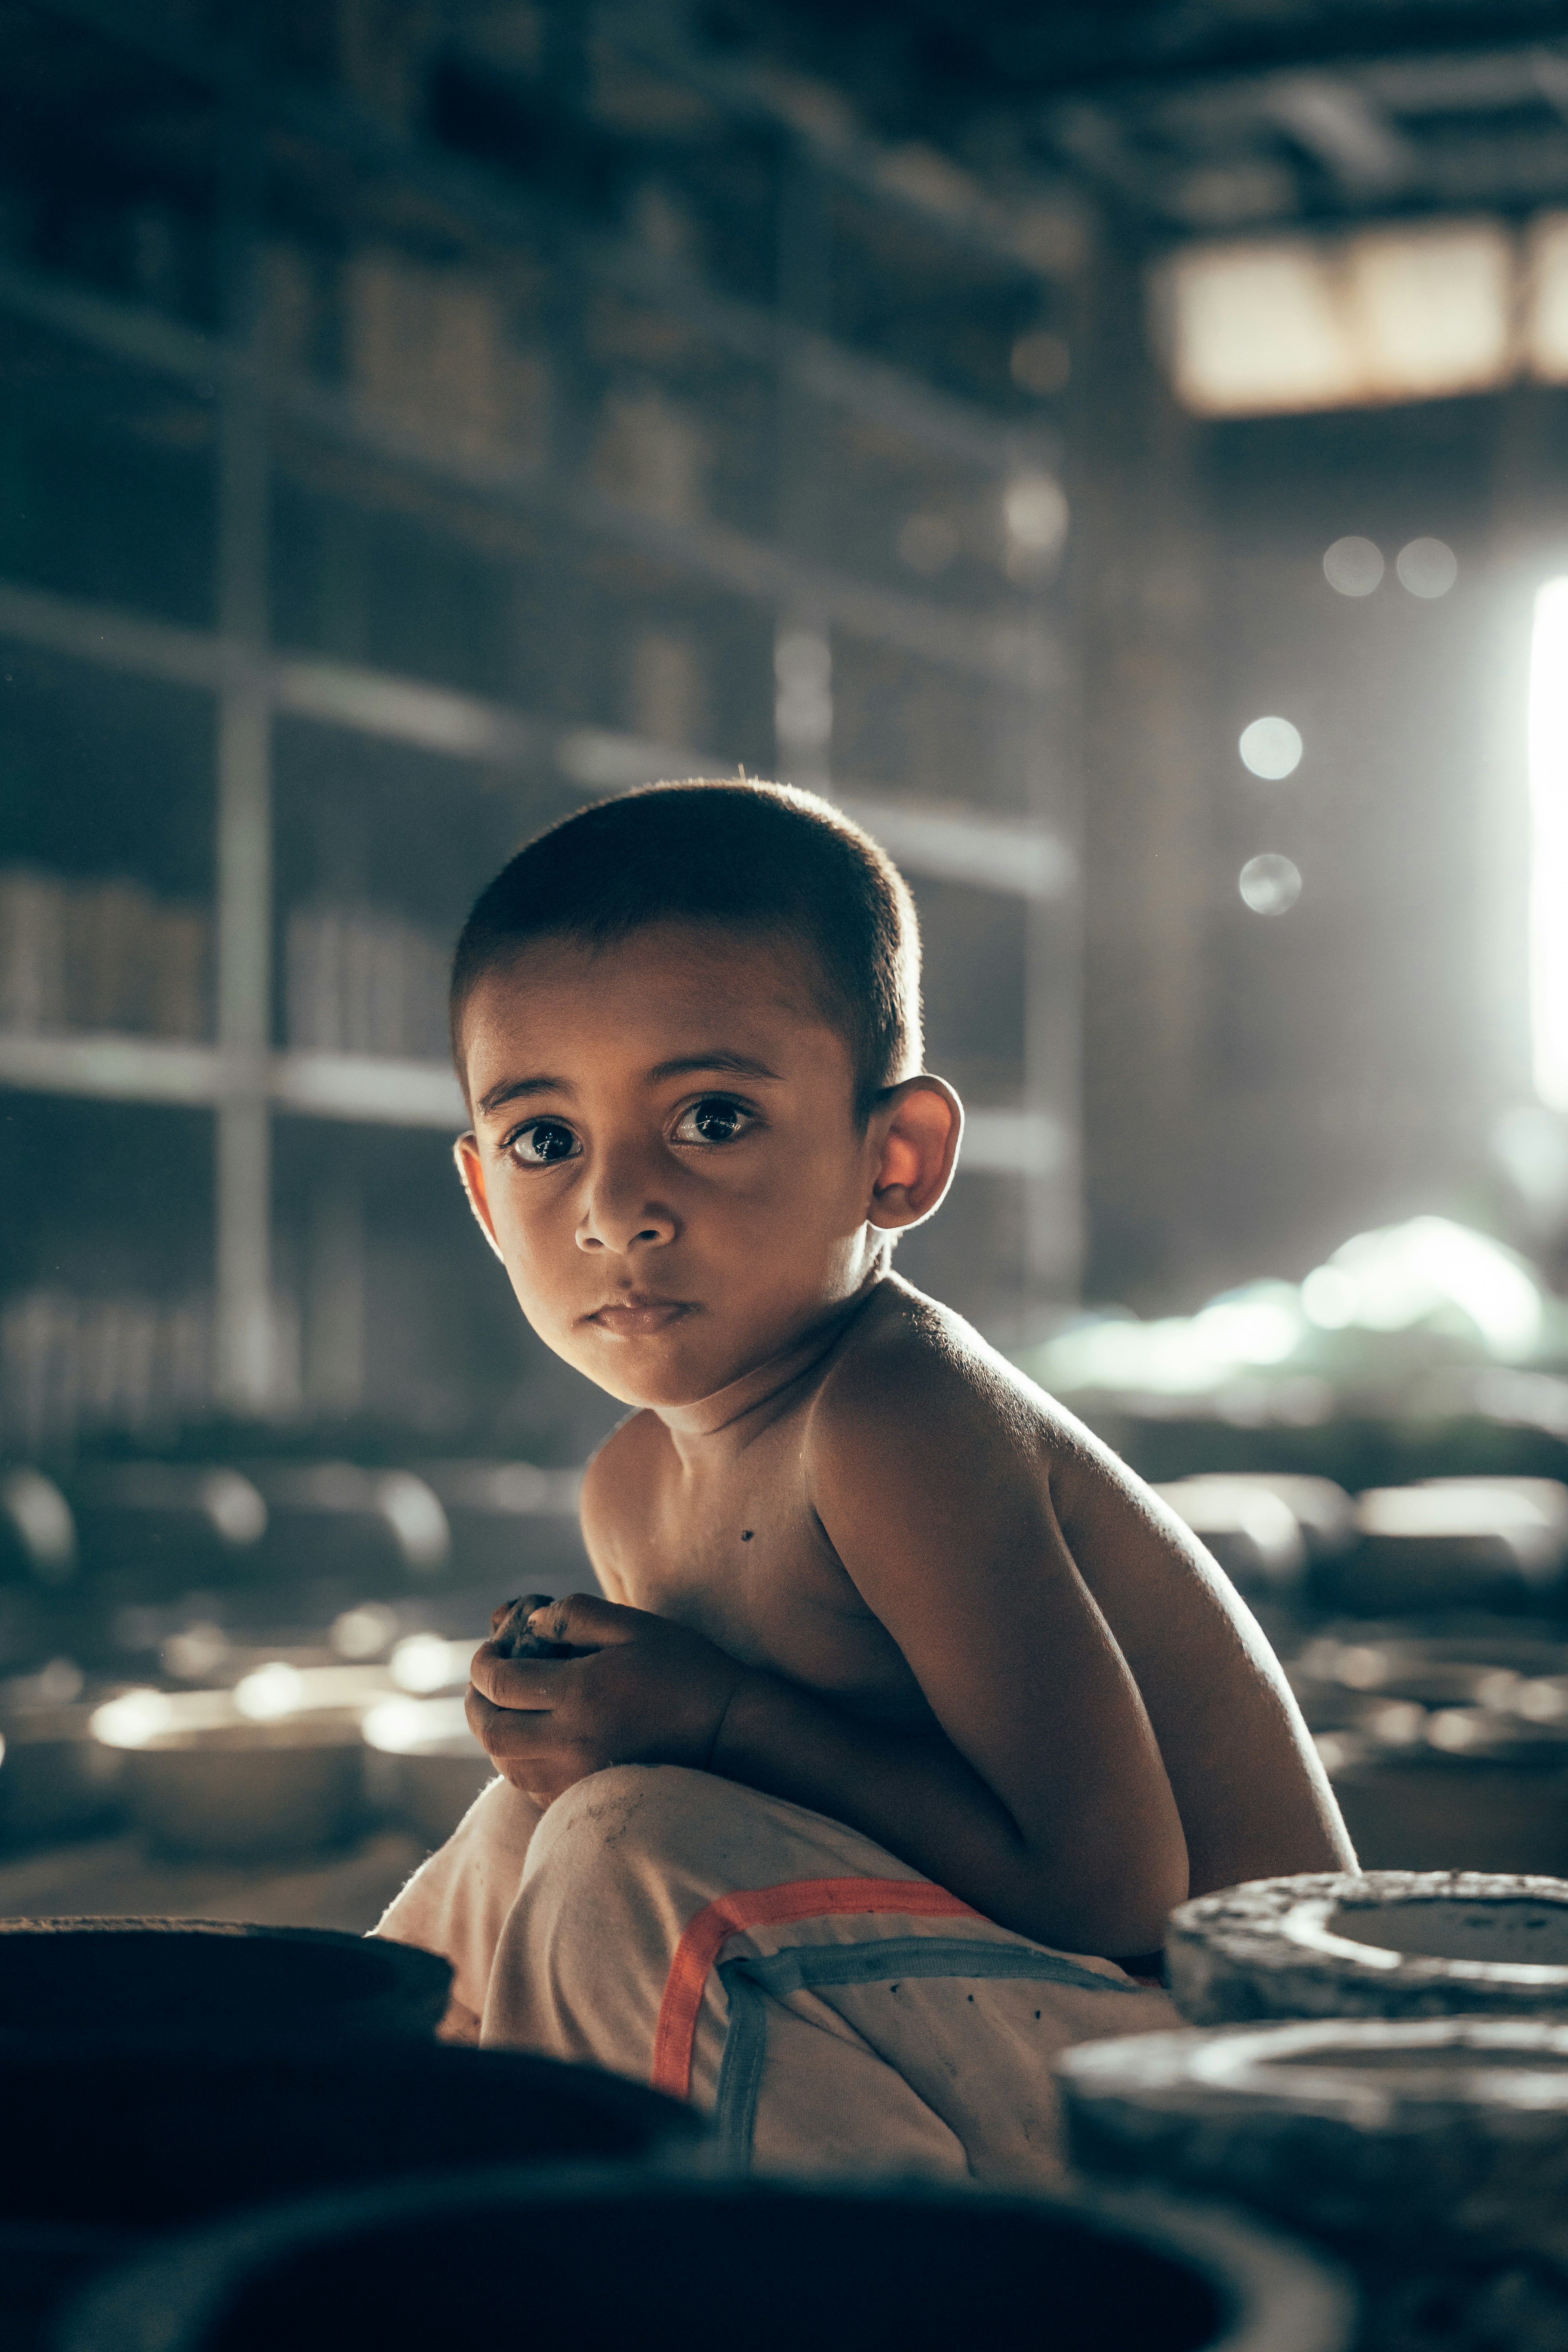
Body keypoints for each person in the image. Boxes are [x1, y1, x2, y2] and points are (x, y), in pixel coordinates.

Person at [376, 779, 1352, 2182]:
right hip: (1019, 2035)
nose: (616, 1208)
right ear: (483, 1196)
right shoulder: (633, 1482)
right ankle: (357, 2149)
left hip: (1248, 2087)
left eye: (712, 1119)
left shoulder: (894, 1419)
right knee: (535, 1821)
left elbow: (1110, 1889)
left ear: (895, 1159)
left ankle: (730, 2267)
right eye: (547, 1142)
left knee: (619, 1847)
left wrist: (715, 1717)